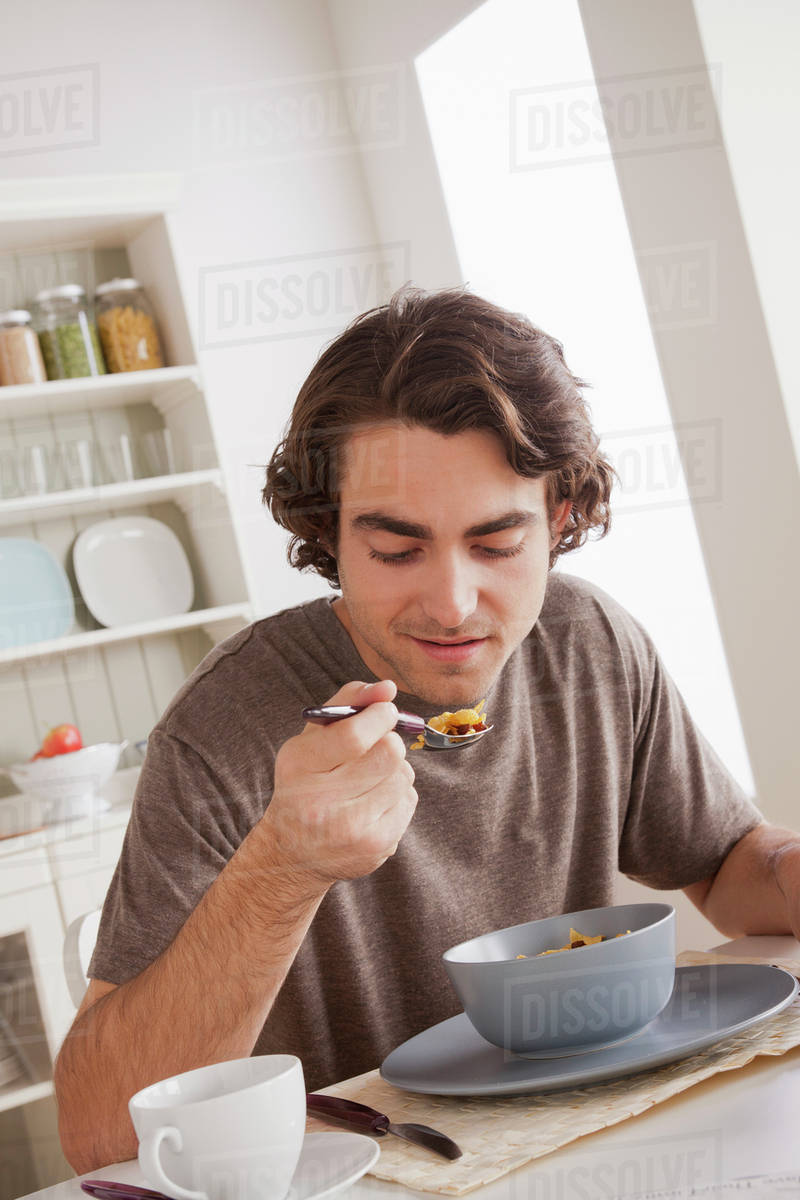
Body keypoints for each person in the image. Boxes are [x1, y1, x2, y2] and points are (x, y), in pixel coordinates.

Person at [54, 287, 800, 1172]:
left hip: (602, 1142)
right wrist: (285, 864)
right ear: (325, 530)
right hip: (380, 1174)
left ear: (559, 518)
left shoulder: (588, 643)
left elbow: (730, 866)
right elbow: (101, 1136)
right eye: (397, 549)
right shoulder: (224, 727)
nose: (452, 604)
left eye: (496, 544)